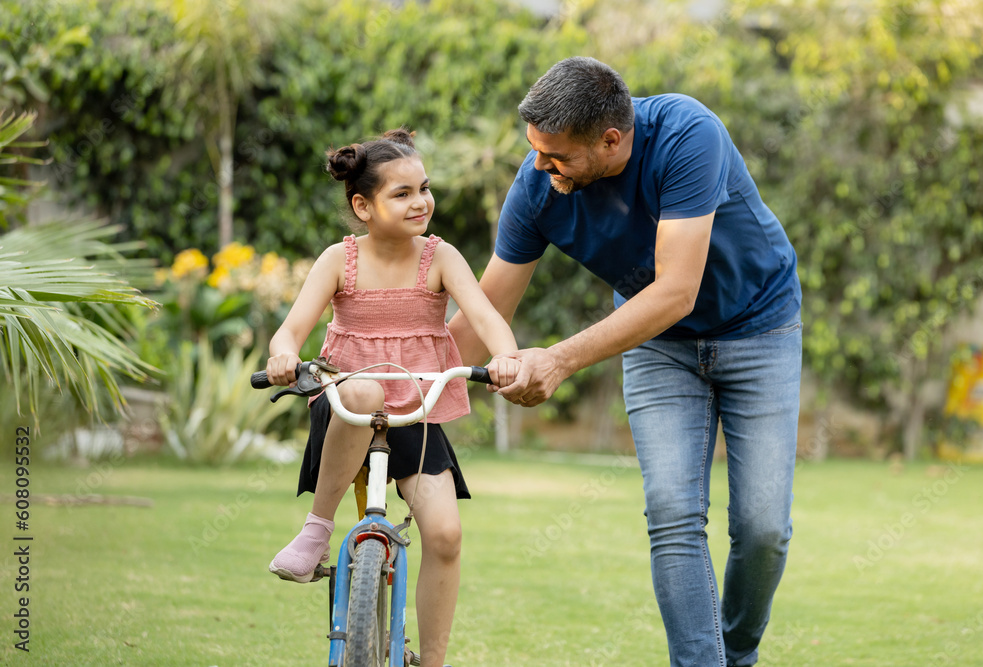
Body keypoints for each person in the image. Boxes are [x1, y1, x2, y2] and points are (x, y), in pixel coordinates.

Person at [449, 57, 802, 667]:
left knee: (763, 530)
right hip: (660, 349)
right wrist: (393, 386)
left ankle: (734, 654)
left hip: (759, 328)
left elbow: (675, 290)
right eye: (534, 150)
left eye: (555, 155)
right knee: (672, 512)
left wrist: (557, 361)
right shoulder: (538, 188)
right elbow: (484, 314)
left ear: (611, 141)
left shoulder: (688, 134)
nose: (539, 166)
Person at [265, 128, 519, 667]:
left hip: (417, 411)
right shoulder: (339, 260)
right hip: (349, 411)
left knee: (446, 534)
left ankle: (432, 662)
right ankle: (317, 530)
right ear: (363, 205)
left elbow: (484, 316)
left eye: (423, 189)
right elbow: (290, 331)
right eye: (401, 194)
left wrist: (507, 357)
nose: (420, 202)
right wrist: (284, 354)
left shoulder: (440, 257)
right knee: (363, 385)